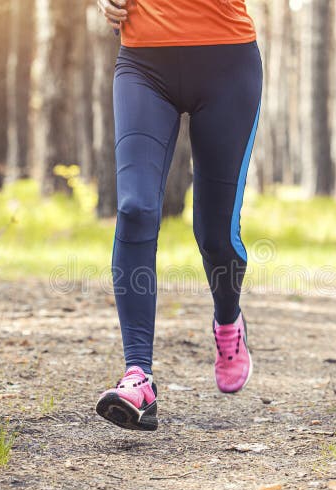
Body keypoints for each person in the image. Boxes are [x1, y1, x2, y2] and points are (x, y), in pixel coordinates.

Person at [94, 0, 262, 431]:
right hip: (143, 63)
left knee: (216, 235)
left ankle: (228, 319)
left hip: (227, 64)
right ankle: (138, 377)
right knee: (134, 208)